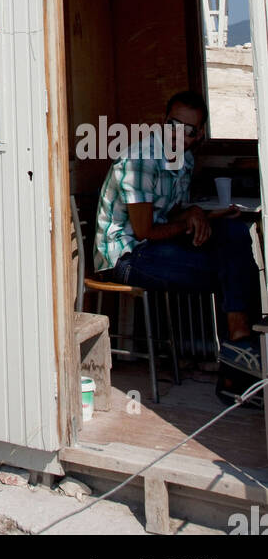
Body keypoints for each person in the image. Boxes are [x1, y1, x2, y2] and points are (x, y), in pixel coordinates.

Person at [93, 89, 262, 375]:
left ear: (199, 134)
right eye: (173, 125)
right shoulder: (141, 160)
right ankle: (242, 349)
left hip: (155, 245)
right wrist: (190, 220)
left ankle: (240, 348)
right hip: (125, 256)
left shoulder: (185, 160)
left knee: (233, 231)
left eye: (188, 130)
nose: (177, 135)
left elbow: (172, 214)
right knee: (231, 268)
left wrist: (204, 215)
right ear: (163, 122)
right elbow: (145, 230)